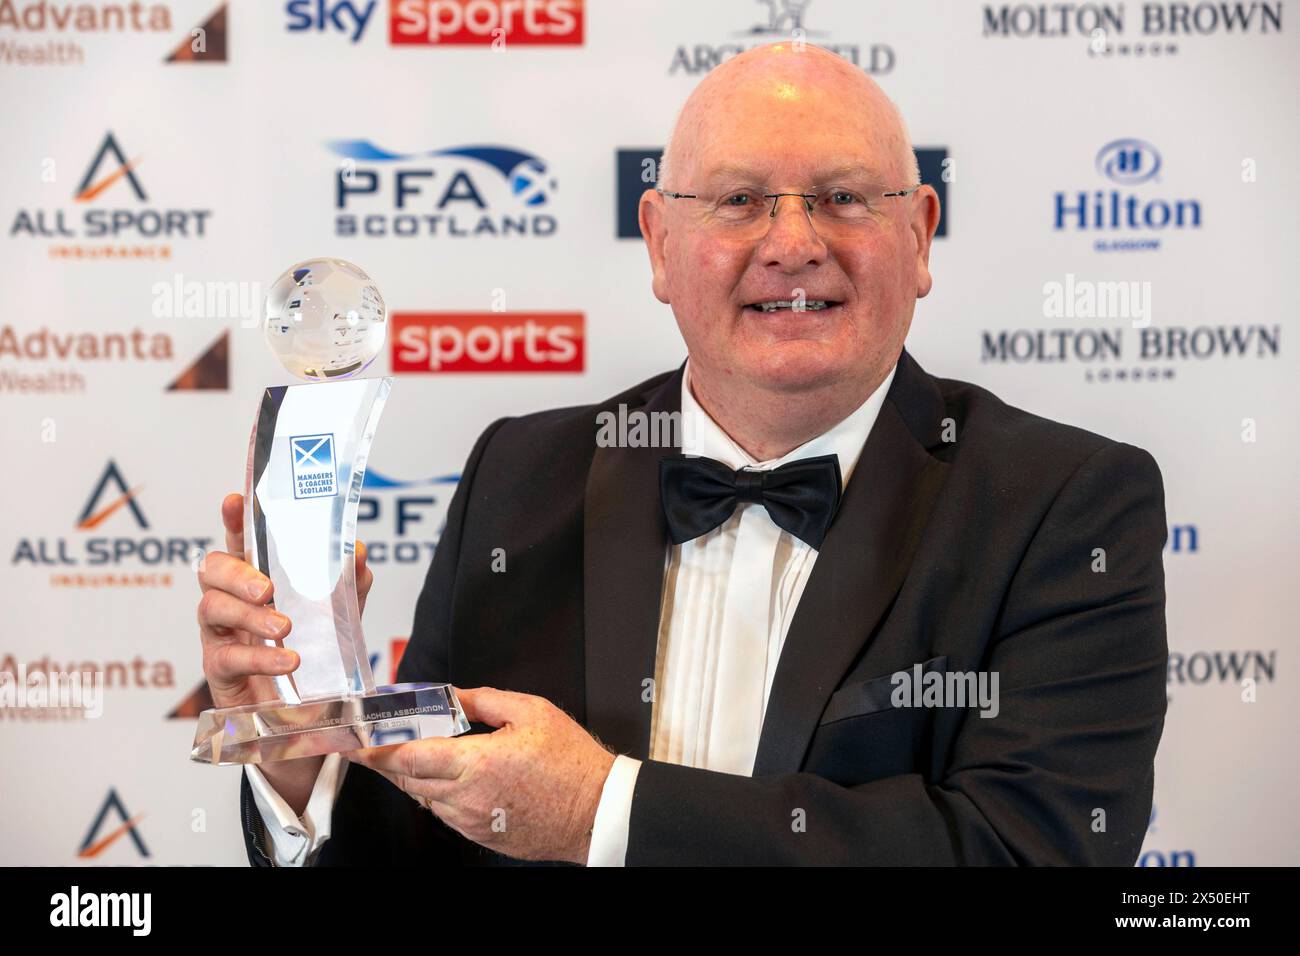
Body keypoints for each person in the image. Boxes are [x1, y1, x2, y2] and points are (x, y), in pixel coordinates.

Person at [196, 41, 1168, 866]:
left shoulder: (1064, 502)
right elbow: (426, 847)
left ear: (917, 236)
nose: (792, 243)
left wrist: (602, 811)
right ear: (660, 242)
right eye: (739, 201)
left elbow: (1032, 847)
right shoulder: (519, 475)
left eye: (840, 197)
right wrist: (302, 747)